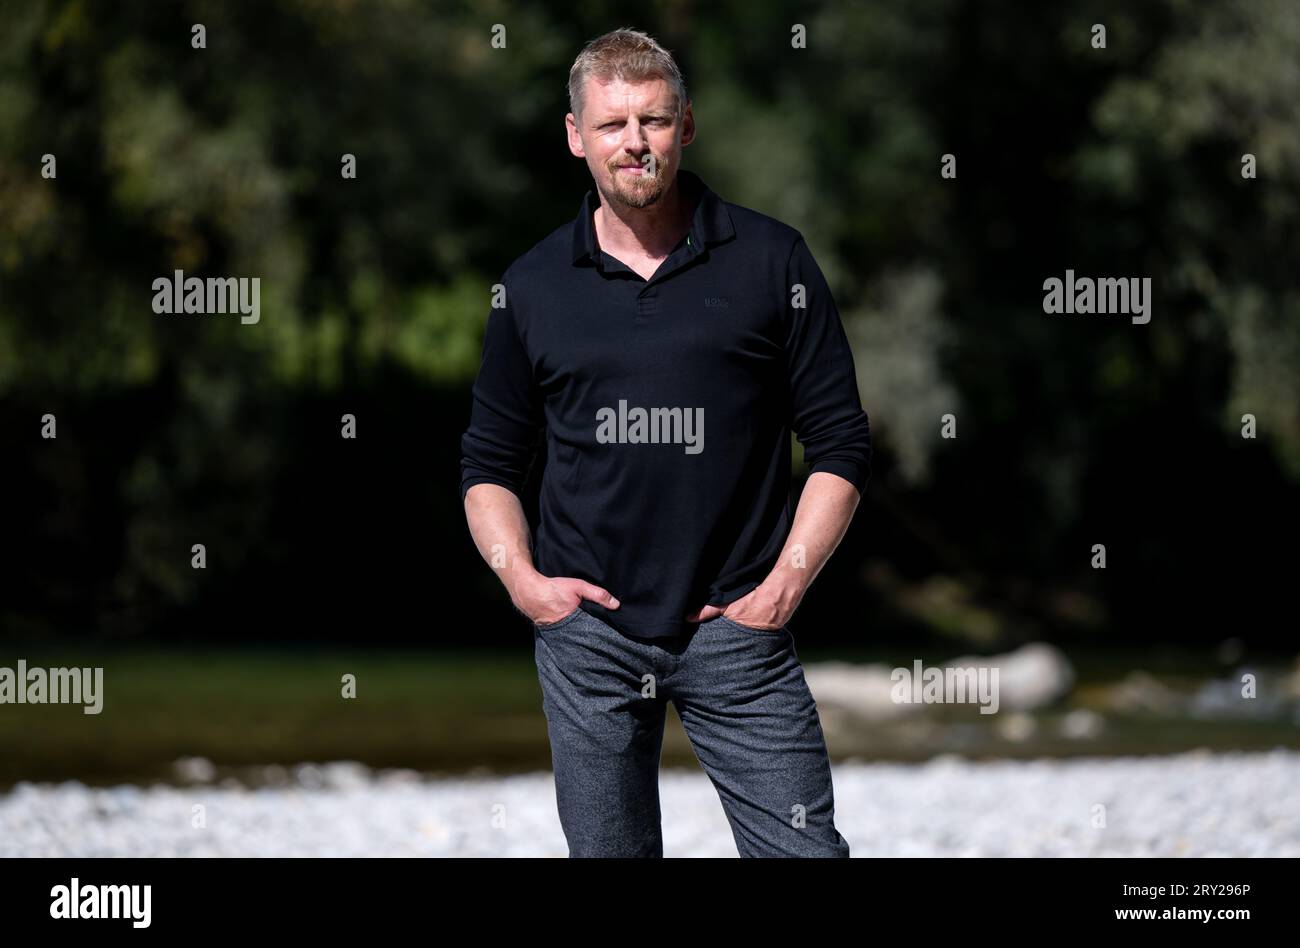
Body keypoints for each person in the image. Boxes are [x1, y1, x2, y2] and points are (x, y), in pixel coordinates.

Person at [460, 27, 871, 857]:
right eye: (612, 125)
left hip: (739, 631)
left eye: (652, 120)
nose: (634, 143)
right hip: (590, 643)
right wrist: (527, 585)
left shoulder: (770, 260)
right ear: (577, 137)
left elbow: (840, 445)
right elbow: (488, 466)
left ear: (686, 126)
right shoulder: (532, 286)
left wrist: (784, 588)